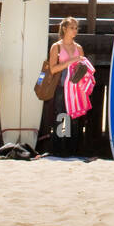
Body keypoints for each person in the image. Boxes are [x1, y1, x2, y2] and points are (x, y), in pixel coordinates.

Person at [46, 17, 92, 155]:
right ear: (64, 28)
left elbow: (83, 67)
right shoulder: (57, 47)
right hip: (61, 87)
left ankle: (73, 149)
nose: (75, 30)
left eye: (76, 28)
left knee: (75, 118)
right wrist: (71, 61)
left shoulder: (79, 47)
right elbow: (52, 69)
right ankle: (60, 149)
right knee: (61, 116)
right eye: (72, 27)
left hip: (76, 88)